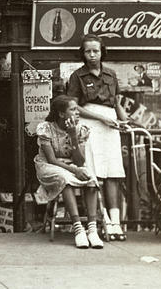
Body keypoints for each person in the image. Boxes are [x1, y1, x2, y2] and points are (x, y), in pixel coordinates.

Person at [66, 34, 130, 241]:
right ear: (82, 53)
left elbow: (117, 102)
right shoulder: (77, 76)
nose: (92, 55)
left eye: (96, 50)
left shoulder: (111, 74)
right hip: (91, 124)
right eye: (88, 51)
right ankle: (98, 222)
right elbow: (73, 107)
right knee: (93, 174)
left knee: (113, 173)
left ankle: (115, 223)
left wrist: (123, 119)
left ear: (102, 51)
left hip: (110, 125)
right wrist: (102, 118)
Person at [34, 95, 102, 249]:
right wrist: (75, 171)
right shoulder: (46, 128)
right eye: (73, 109)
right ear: (61, 113)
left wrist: (73, 136)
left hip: (72, 165)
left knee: (90, 178)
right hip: (48, 166)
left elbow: (79, 161)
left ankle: (92, 229)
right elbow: (51, 159)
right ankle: (78, 229)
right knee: (65, 179)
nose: (77, 113)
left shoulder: (79, 130)